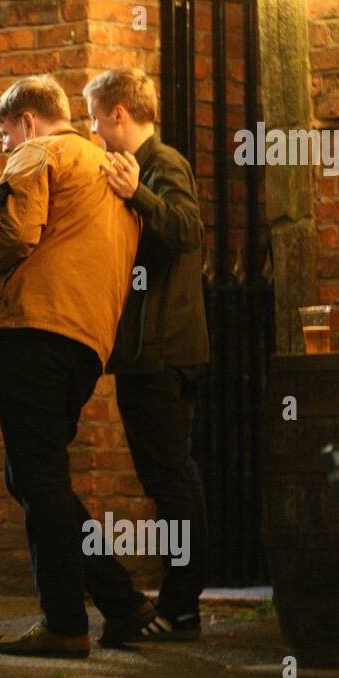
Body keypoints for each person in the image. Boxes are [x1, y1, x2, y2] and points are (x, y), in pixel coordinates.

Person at [0, 74, 156, 658]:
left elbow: (16, 234)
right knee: (32, 474)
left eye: (5, 135)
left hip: (34, 329)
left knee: (38, 476)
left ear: (27, 121)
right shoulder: (112, 173)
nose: (5, 147)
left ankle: (64, 623)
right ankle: (121, 601)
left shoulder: (40, 152)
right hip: (86, 343)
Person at [84, 67, 210, 641]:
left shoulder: (163, 165)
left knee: (172, 480)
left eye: (95, 118)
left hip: (162, 352)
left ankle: (182, 607)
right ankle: (178, 601)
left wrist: (138, 194)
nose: (93, 132)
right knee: (164, 478)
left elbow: (187, 230)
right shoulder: (141, 169)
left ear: (117, 114)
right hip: (145, 353)